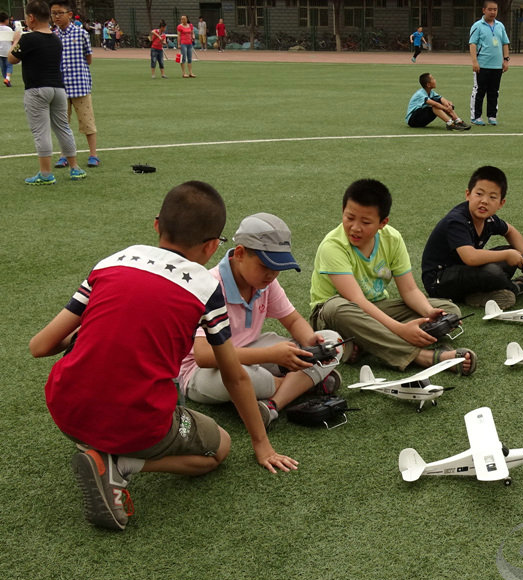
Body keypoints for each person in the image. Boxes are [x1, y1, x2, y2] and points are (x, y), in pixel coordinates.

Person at [29, 181, 298, 531]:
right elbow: (234, 375)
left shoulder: (111, 263)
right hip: (137, 421)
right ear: (214, 245)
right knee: (218, 449)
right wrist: (262, 445)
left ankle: (101, 453)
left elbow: (40, 346)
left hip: (64, 409)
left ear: (157, 225)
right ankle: (120, 466)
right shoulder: (205, 287)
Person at [179, 213, 343, 422]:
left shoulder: (265, 283)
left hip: (252, 349)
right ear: (239, 253)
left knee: (333, 341)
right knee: (245, 377)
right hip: (201, 372)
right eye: (265, 266)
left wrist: (312, 344)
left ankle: (271, 406)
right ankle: (299, 385)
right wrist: (269, 355)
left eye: (277, 269)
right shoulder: (209, 286)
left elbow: (293, 321)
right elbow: (203, 356)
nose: (271, 275)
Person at [309, 178, 477, 374]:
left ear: (383, 223)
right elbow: (356, 300)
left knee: (449, 310)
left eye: (365, 222)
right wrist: (400, 329)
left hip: (376, 308)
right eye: (349, 217)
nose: (355, 227)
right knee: (335, 307)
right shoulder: (333, 246)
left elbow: (410, 290)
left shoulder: (392, 238)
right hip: (335, 315)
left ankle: (364, 342)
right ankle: (425, 357)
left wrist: (427, 311)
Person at [421, 165, 523, 310]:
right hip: (439, 281)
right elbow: (470, 257)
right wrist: (508, 255)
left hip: (465, 271)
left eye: (492, 197)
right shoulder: (457, 220)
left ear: (501, 203)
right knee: (493, 271)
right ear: (468, 194)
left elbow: (511, 231)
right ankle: (516, 288)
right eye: (479, 194)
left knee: (511, 252)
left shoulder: (489, 220)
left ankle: (477, 295)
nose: (484, 201)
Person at [8, 0, 85, 185]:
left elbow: (11, 59)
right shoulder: (56, 39)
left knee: (41, 131)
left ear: (31, 18)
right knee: (63, 128)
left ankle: (45, 173)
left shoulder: (28, 39)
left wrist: (17, 40)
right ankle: (75, 168)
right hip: (58, 88)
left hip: (36, 89)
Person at [50, 1, 100, 169]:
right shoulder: (52, 35)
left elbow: (88, 58)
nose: (56, 17)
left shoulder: (81, 34)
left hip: (80, 85)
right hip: (60, 86)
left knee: (88, 122)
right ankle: (64, 154)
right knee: (62, 123)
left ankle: (93, 154)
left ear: (69, 14)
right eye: (53, 13)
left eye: (59, 13)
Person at [469, 0, 509, 126]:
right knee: (479, 91)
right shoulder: (477, 26)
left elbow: (505, 43)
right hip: (482, 65)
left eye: (495, 9)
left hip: (497, 66)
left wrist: (506, 60)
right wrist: (475, 61)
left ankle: (492, 116)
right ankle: (476, 116)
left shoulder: (500, 26)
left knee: (494, 91)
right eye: (490, 9)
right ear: (484, 10)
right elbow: (472, 44)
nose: (493, 12)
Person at [406, 72, 470, 131]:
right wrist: (446, 109)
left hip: (421, 119)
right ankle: (450, 124)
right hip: (413, 120)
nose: (435, 80)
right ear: (428, 85)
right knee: (435, 106)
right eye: (433, 79)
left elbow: (442, 99)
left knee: (442, 104)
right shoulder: (420, 94)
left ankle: (458, 121)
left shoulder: (431, 92)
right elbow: (434, 104)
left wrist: (449, 105)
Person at [0, 11, 21, 87]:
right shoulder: (9, 29)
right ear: (6, 20)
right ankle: (7, 78)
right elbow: (13, 39)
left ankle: (5, 78)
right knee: (9, 65)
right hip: (8, 50)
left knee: (3, 67)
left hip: (0, 51)